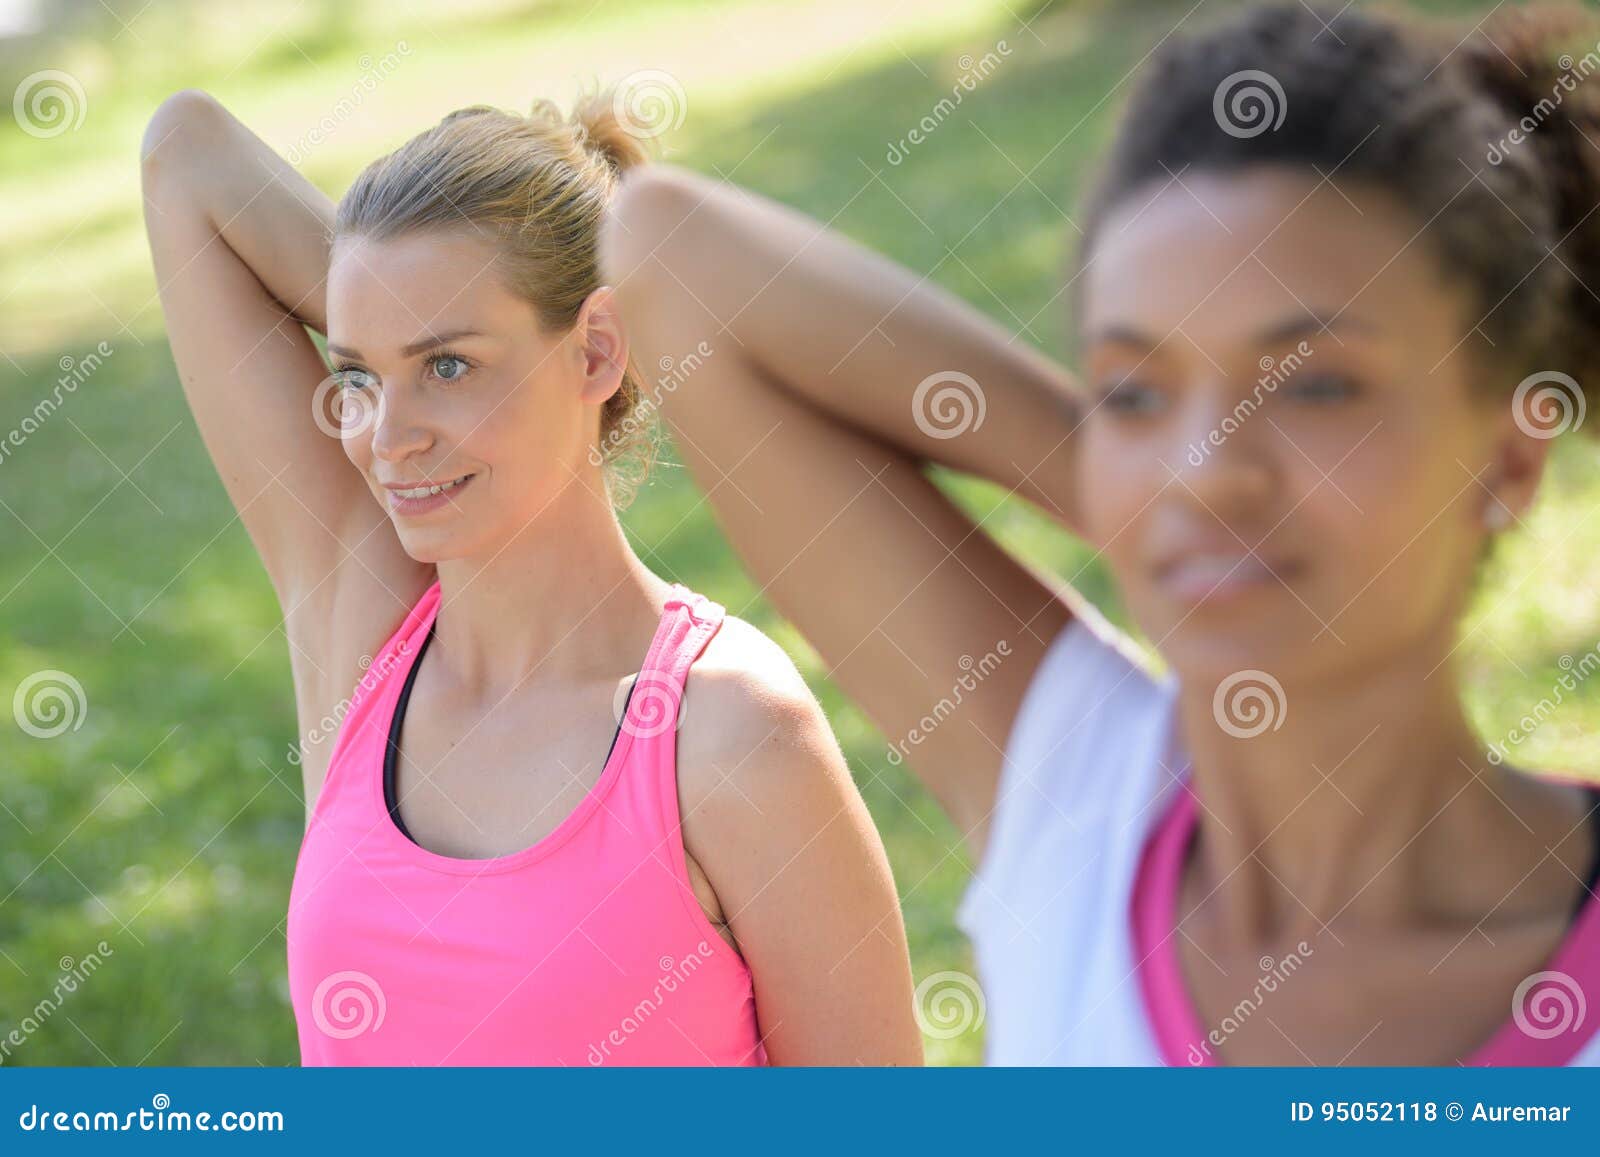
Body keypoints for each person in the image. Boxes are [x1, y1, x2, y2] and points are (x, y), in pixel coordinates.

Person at [600, 2, 1600, 1065]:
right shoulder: (1077, 808)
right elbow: (665, 245)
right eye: (1133, 392)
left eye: (1313, 386)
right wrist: (1159, 523)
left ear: (1508, 455)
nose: (1206, 467)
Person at [139, 87, 921, 1066]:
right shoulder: (363, 637)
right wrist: (406, 303)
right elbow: (185, 153)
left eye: (449, 368)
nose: (390, 438)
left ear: (597, 347)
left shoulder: (728, 734)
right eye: (358, 378)